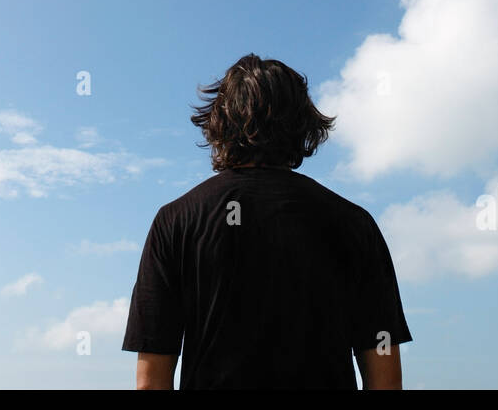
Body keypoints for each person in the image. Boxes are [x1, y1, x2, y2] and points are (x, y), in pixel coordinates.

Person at [122, 54, 412, 389]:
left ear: (220, 121)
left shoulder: (175, 221)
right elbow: (385, 378)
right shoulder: (355, 224)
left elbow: (151, 382)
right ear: (303, 124)